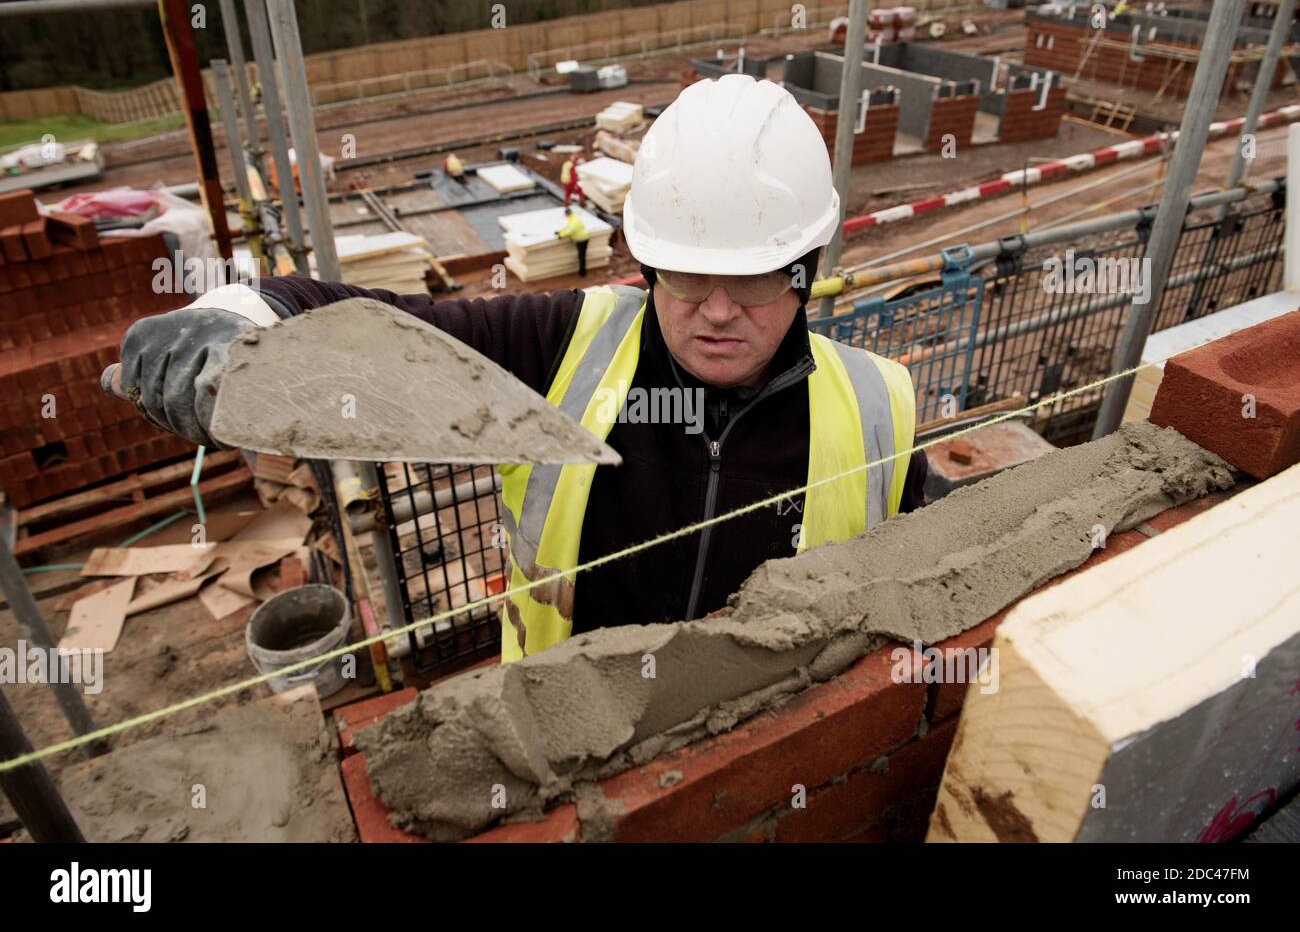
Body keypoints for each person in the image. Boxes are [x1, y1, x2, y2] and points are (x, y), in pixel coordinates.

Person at [112, 74, 926, 663]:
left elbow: (928, 575)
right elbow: (368, 322)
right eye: (683, 271)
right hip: (571, 752)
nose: (716, 309)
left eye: (751, 275)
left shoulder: (879, 406)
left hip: (774, 753)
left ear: (806, 266)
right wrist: (244, 317)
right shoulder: (561, 345)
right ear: (643, 262)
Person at [555, 205, 589, 277]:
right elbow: (567, 227)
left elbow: (570, 230)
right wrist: (560, 232)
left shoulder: (574, 221)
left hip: (582, 240)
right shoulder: (573, 218)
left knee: (581, 256)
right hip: (583, 238)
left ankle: (582, 272)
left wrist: (561, 235)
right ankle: (582, 271)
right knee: (582, 255)